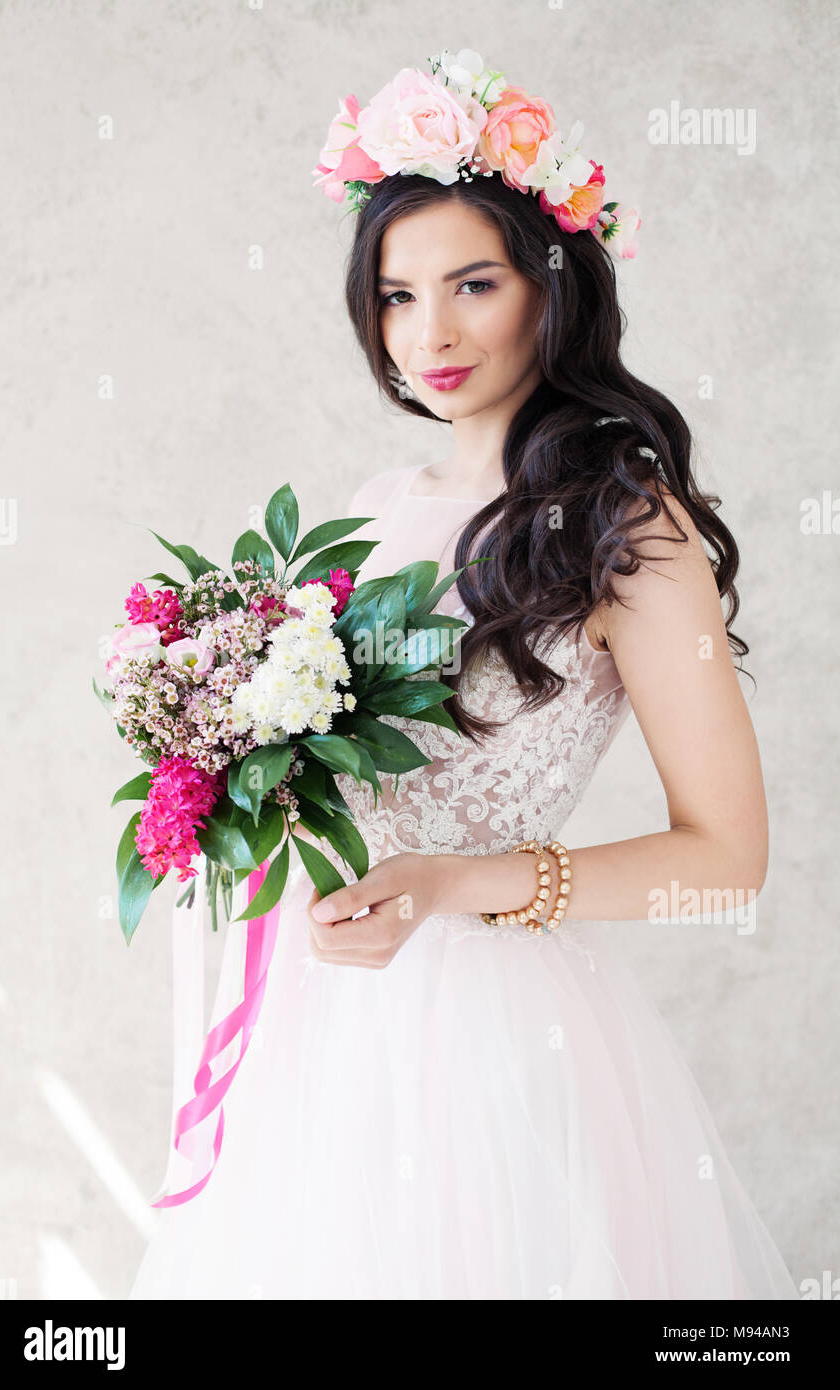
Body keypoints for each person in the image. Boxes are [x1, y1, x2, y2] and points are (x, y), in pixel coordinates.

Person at [129, 48, 798, 1299]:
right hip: (321, 1026)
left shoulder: (622, 525)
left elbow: (726, 860)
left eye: (472, 284)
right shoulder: (376, 506)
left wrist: (447, 883)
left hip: (494, 1029)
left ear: (552, 286)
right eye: (394, 296)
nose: (426, 332)